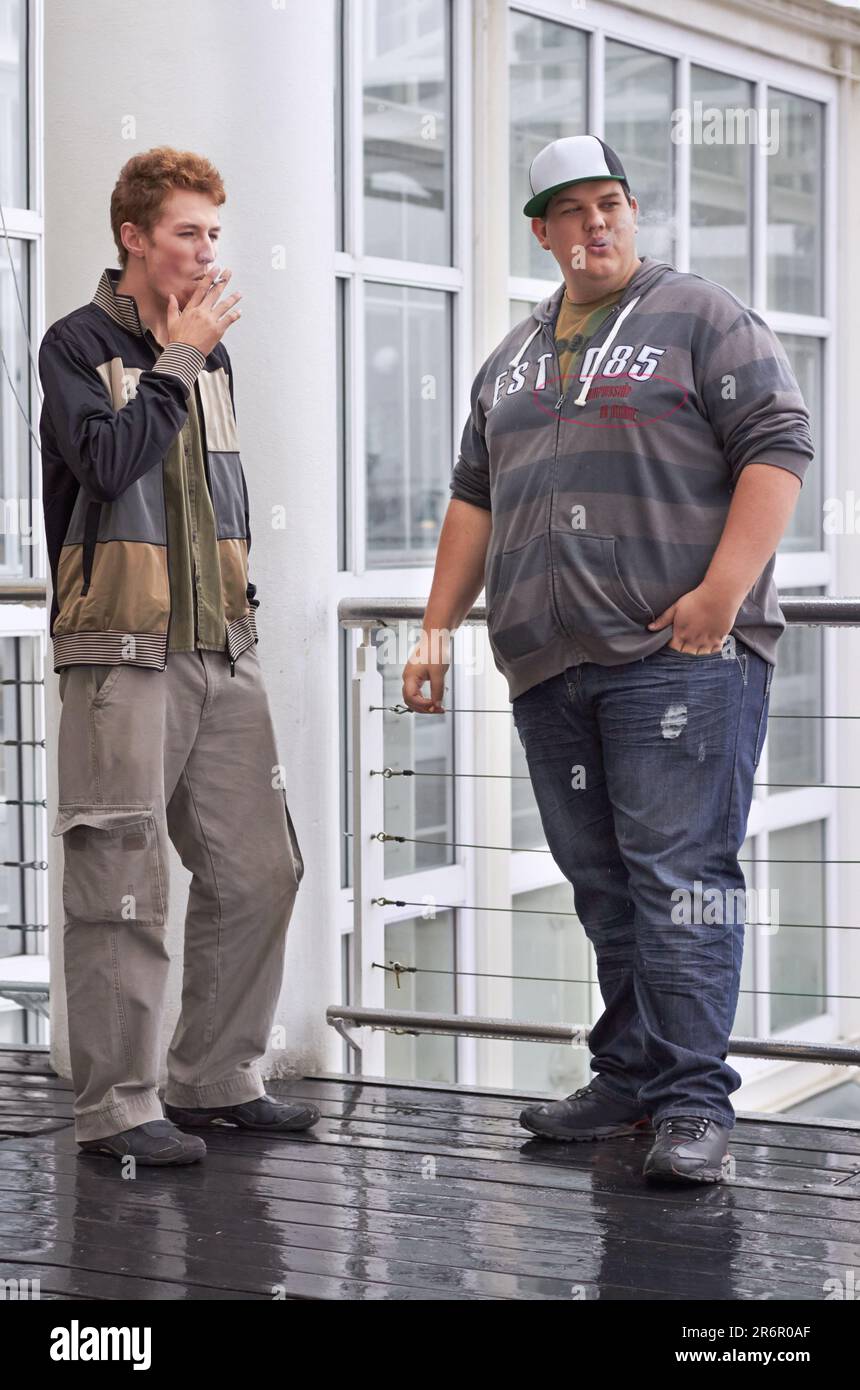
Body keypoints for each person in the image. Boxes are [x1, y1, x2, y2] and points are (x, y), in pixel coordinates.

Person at [402, 134, 814, 1184]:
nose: (595, 223)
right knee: (602, 884)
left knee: (681, 881)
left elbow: (776, 446)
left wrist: (718, 594)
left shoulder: (699, 316)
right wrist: (435, 626)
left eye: (611, 203)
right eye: (570, 210)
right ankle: (629, 1075)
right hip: (550, 664)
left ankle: (690, 1102)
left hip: (678, 658)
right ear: (540, 232)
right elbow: (472, 496)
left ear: (631, 213)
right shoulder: (511, 356)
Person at [39, 146, 318, 1165]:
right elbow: (110, 463)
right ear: (133, 238)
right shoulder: (74, 345)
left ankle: (212, 1078)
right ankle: (117, 1108)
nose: (207, 253)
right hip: (121, 653)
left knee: (262, 869)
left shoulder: (214, 355)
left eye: (214, 233)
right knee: (120, 881)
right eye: (187, 234)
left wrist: (194, 356)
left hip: (220, 646)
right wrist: (177, 360)